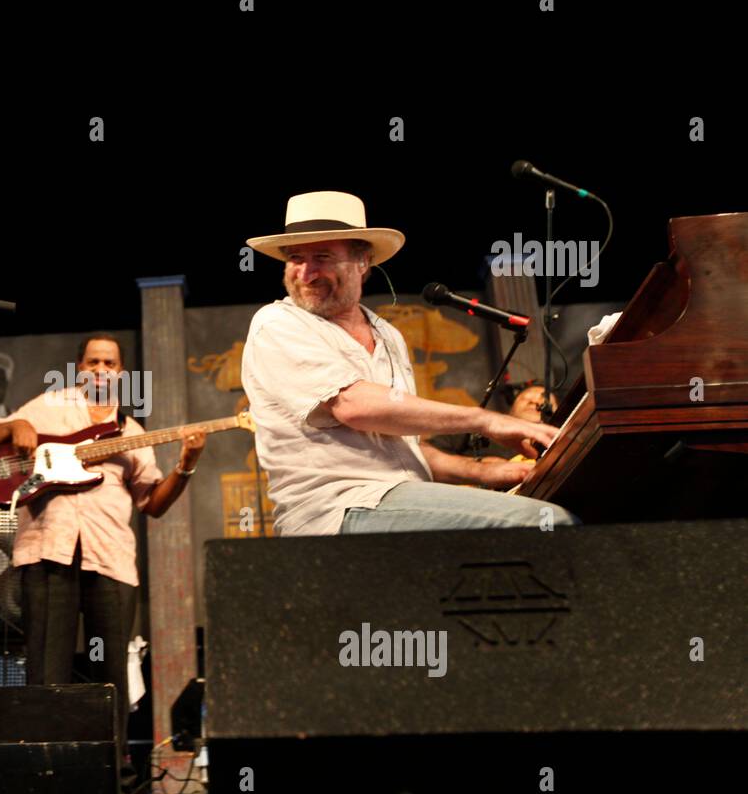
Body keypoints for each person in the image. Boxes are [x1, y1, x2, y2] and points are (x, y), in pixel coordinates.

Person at [241, 191, 579, 536]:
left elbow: (404, 452)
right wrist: (487, 421)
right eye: (295, 258)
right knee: (548, 525)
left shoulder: (388, 335)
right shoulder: (277, 323)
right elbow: (353, 406)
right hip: (337, 510)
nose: (307, 272)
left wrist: (484, 471)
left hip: (395, 499)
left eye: (323, 257)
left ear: (363, 262)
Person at [0, 334, 205, 765]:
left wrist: (187, 463)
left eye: (109, 363)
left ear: (121, 373)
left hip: (111, 560)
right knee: (46, 671)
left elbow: (154, 505)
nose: (101, 369)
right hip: (48, 551)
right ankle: (44, 769)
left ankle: (109, 772)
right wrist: (14, 426)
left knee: (111, 679)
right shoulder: (48, 406)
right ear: (79, 368)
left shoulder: (133, 432)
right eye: (92, 361)